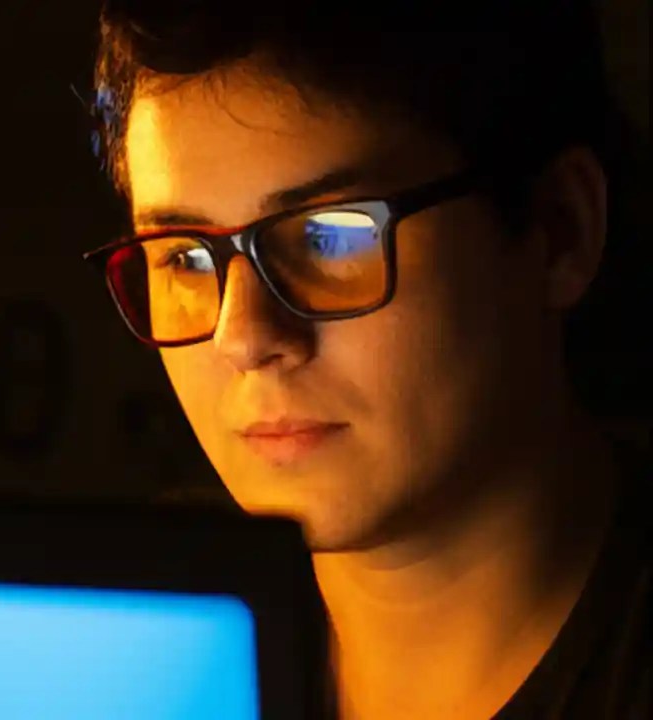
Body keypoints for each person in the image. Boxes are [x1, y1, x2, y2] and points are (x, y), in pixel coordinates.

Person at [82, 1, 650, 717]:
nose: (245, 337)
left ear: (559, 231)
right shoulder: (131, 633)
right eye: (186, 259)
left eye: (329, 237)